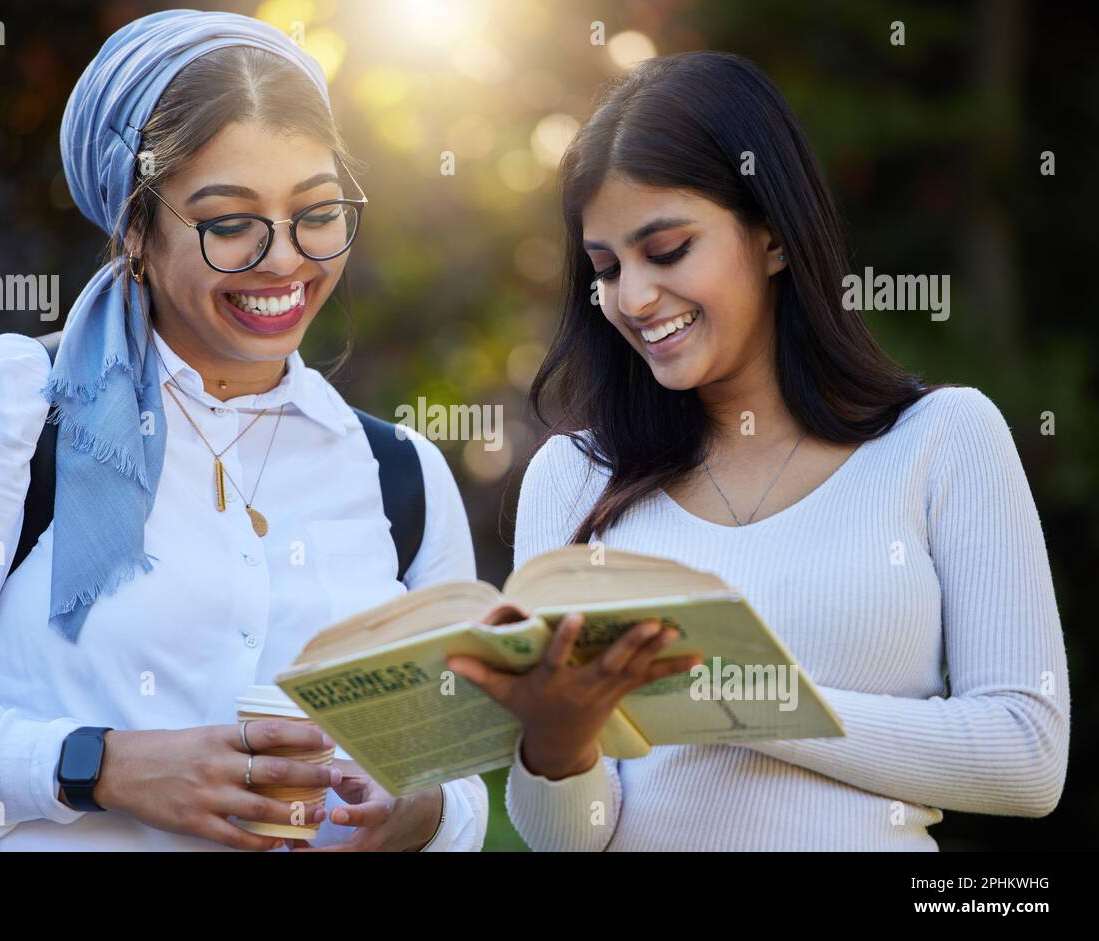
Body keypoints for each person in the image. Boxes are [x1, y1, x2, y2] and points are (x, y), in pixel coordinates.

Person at [0, 10, 487, 852]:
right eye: (229, 221)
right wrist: (101, 766)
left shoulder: (400, 474)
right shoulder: (9, 408)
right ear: (135, 227)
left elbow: (453, 774)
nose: (284, 259)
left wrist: (421, 812)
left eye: (317, 210)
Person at [447, 51, 1069, 851]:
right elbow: (568, 839)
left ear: (773, 237)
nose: (633, 297)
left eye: (667, 249)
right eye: (605, 268)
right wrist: (559, 742)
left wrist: (736, 699)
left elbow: (1026, 756)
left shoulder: (943, 439)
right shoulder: (575, 478)